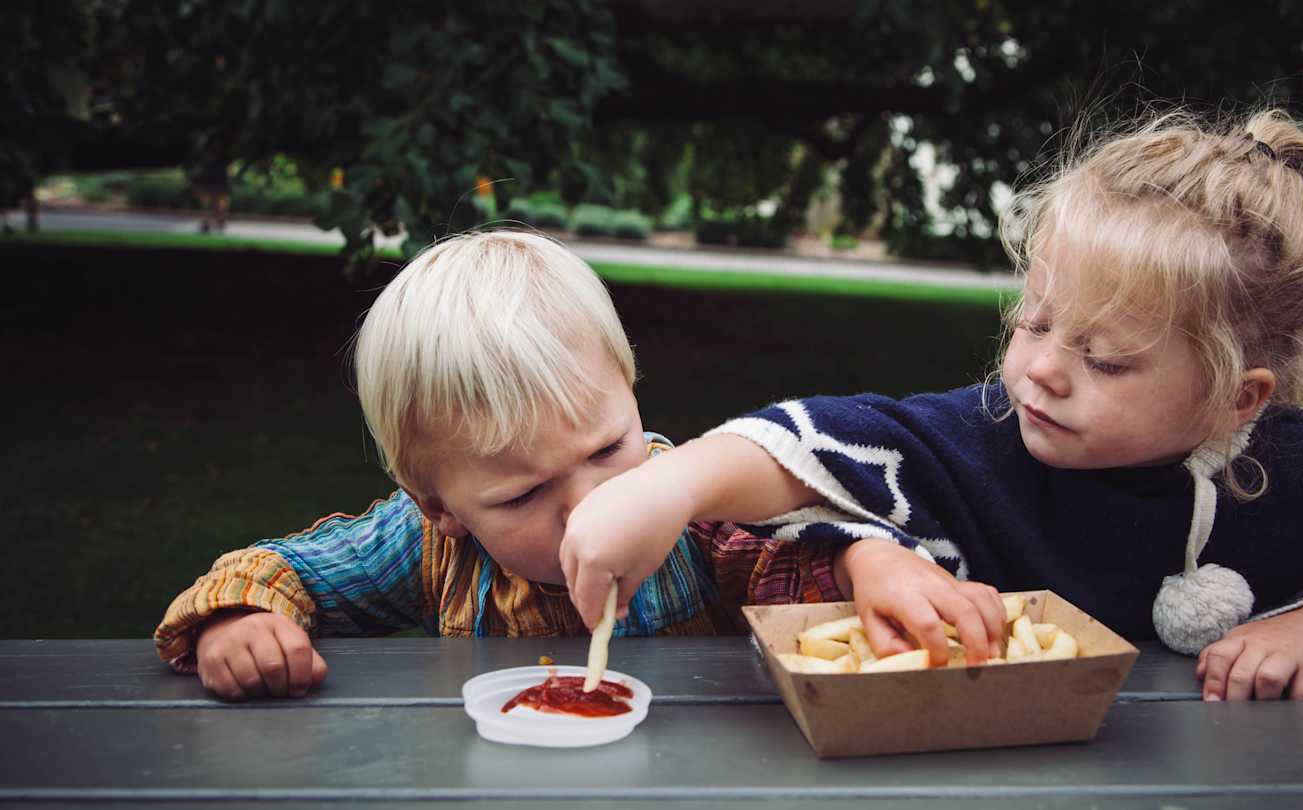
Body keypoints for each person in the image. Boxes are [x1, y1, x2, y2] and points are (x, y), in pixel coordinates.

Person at [558, 109, 1303, 701]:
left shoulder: (1295, 477)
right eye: (1035, 321)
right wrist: (661, 491)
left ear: (1231, 399)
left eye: (1103, 358)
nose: (1043, 371)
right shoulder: (983, 438)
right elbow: (819, 440)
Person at [154, 230, 843, 700]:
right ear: (442, 508)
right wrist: (242, 623)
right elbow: (278, 572)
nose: (593, 506)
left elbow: (799, 568)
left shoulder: (691, 516)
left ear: (630, 394)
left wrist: (860, 565)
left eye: (607, 450)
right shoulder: (424, 548)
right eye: (523, 495)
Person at [190, 155, 230, 234]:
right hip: (217, 188)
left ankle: (208, 224)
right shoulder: (221, 166)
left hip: (213, 188)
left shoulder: (207, 166)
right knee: (217, 207)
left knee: (209, 207)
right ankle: (213, 224)